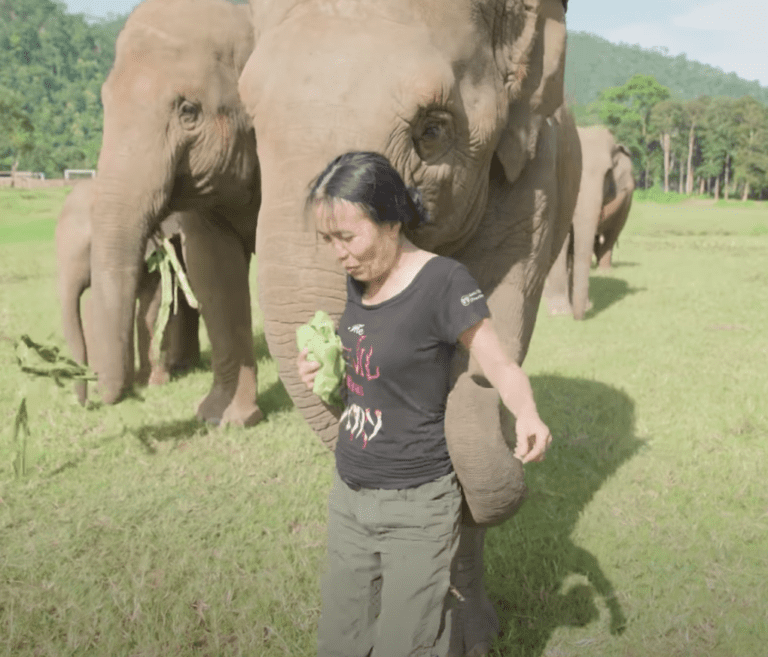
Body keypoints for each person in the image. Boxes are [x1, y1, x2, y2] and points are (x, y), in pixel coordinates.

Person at [297, 151, 552, 657]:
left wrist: (527, 414)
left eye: (347, 237)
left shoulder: (444, 283)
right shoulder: (359, 279)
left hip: (416, 502)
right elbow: (376, 378)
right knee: (340, 641)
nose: (339, 254)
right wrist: (327, 378)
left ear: (391, 221)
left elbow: (498, 364)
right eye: (329, 240)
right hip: (351, 495)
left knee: (404, 644)